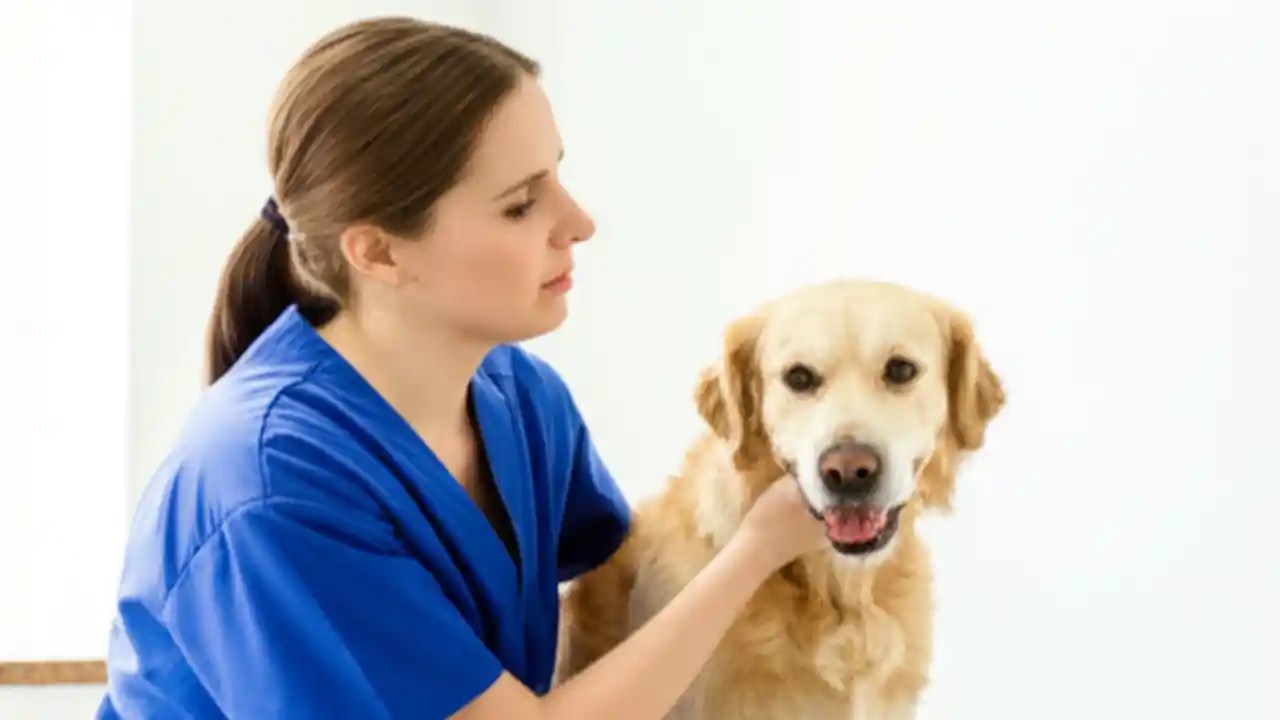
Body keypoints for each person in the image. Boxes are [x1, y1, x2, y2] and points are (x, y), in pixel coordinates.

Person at [97, 16, 827, 720]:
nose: (578, 222)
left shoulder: (521, 398)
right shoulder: (271, 487)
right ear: (379, 252)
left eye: (557, 177)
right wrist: (755, 549)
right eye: (519, 205)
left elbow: (617, 585)